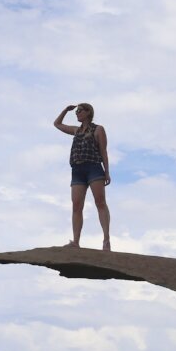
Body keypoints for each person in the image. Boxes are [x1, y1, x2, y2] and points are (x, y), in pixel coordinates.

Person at [53, 103, 111, 250]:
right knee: (77, 205)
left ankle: (106, 240)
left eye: (79, 111)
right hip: (77, 169)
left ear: (88, 112)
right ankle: (76, 242)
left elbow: (103, 151)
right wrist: (66, 110)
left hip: (93, 167)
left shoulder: (98, 129)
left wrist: (107, 171)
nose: (77, 113)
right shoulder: (76, 130)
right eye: (76, 111)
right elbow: (57, 124)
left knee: (100, 203)